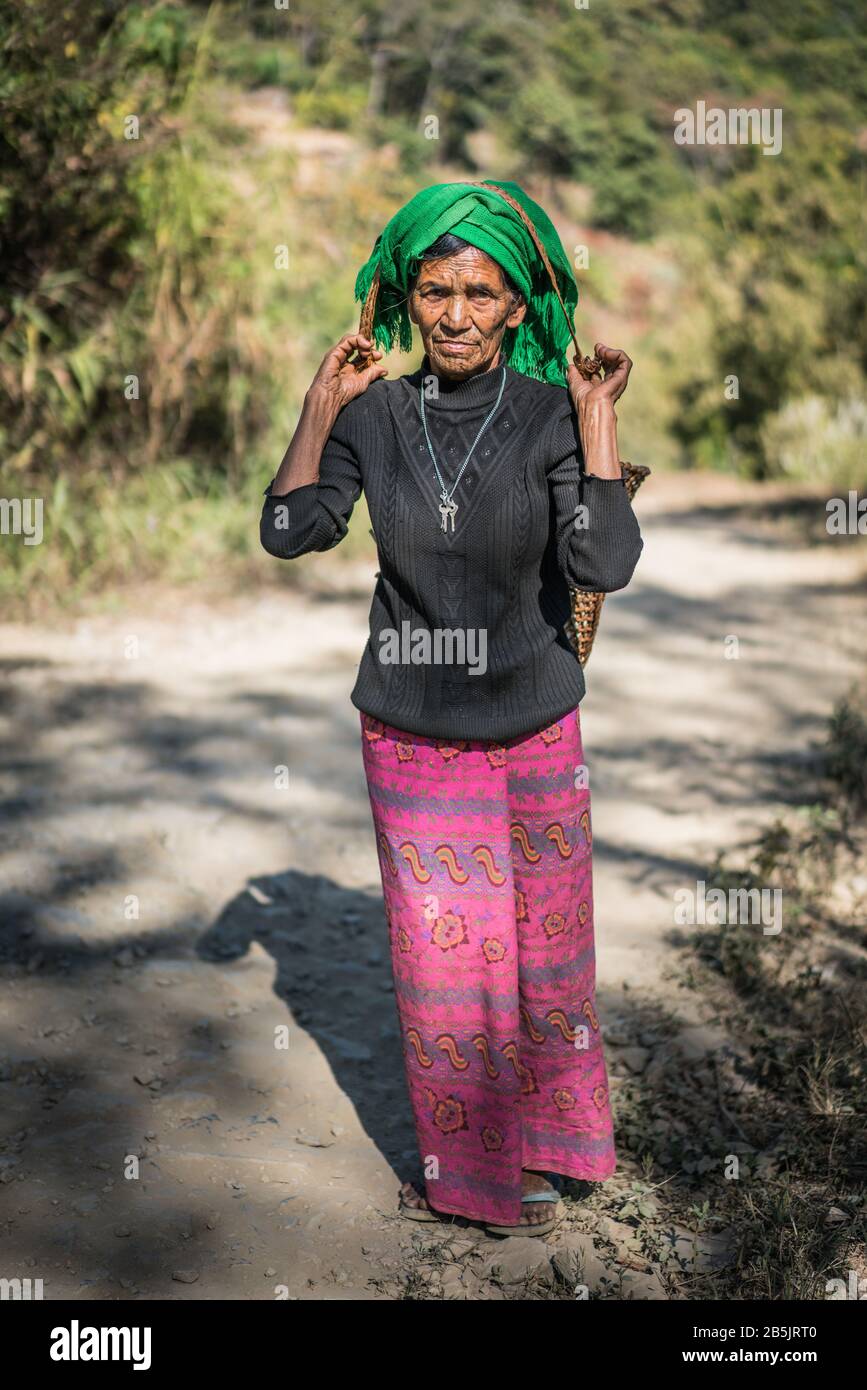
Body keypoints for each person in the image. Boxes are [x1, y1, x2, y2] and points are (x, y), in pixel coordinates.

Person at [259, 180, 643, 1237]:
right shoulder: (377, 416)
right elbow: (291, 530)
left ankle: (559, 1140)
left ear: (520, 304)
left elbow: (604, 558)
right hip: (415, 735)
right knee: (449, 972)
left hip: (537, 723)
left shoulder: (551, 417)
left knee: (549, 957)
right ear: (407, 295)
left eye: (483, 291)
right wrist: (318, 407)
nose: (459, 313)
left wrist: (598, 419)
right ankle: (472, 1176)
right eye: (436, 289)